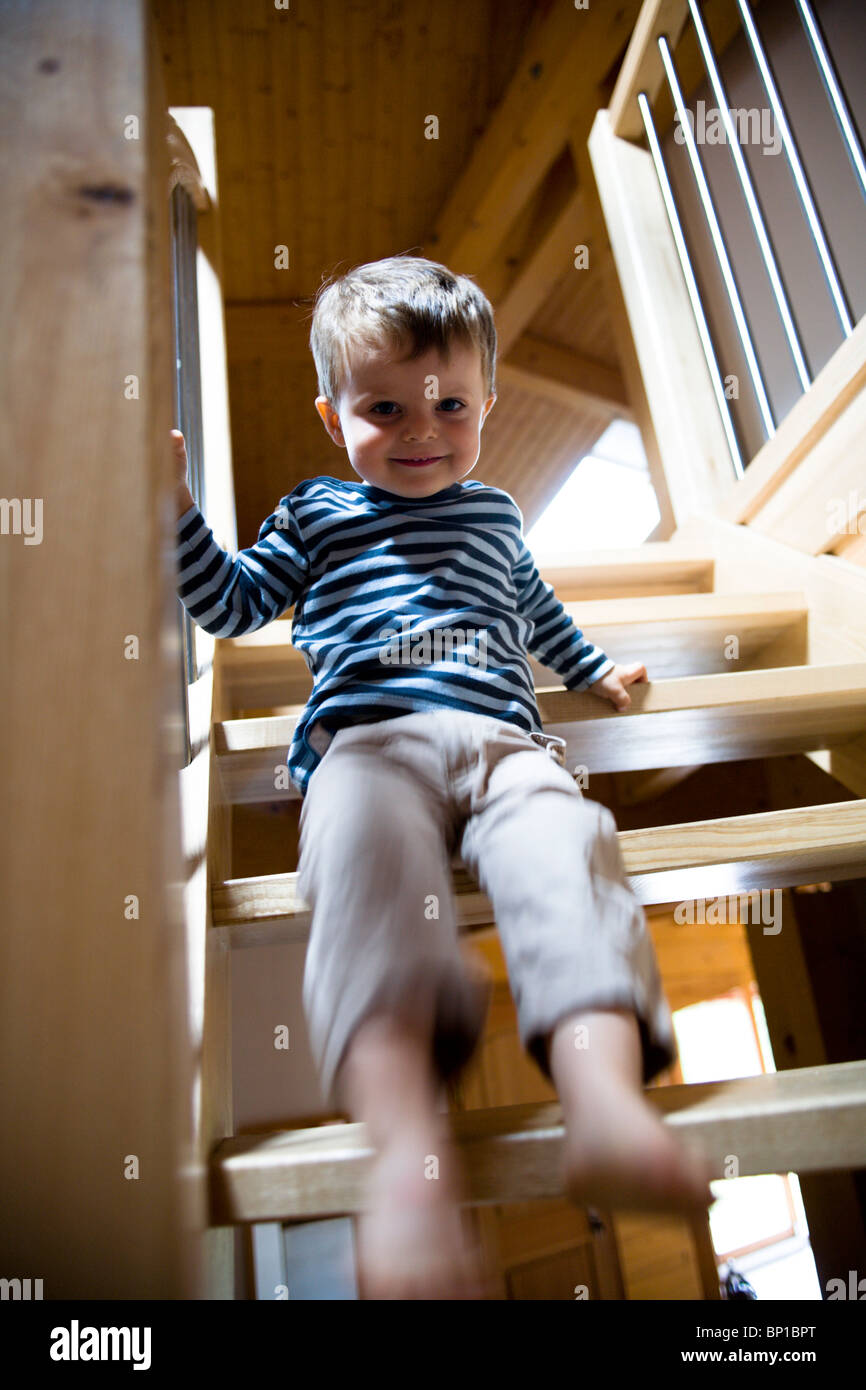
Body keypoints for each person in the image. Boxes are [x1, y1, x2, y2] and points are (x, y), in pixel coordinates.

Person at [173, 254, 713, 1300]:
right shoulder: (316, 515)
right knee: (365, 871)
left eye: (449, 404)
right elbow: (230, 606)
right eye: (384, 406)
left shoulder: (498, 516)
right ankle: (405, 1161)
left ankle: (601, 1099)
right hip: (366, 742)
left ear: (486, 404)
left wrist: (593, 671)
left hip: (506, 742)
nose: (422, 430)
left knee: (567, 844)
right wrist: (173, 512)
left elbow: (536, 610)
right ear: (333, 417)